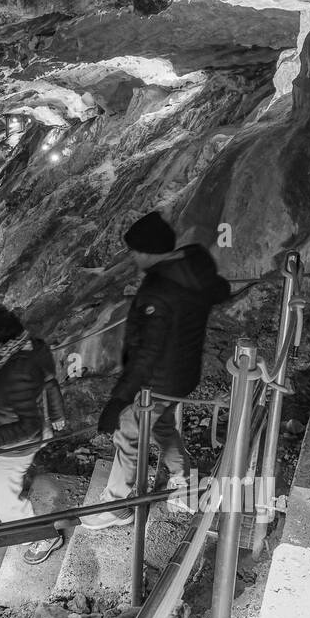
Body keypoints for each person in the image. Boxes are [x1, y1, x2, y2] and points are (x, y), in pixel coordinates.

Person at [85, 212, 231, 528]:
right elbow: (221, 290)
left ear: (149, 250)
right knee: (161, 426)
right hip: (183, 372)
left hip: (158, 380)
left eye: (136, 250)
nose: (133, 257)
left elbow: (146, 353)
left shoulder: (160, 289)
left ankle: (119, 506)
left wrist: (119, 400)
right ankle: (184, 479)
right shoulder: (193, 266)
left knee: (128, 434)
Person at [0, 305, 67, 565]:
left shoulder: (15, 372)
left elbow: (30, 426)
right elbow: (50, 382)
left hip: (16, 445)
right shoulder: (34, 347)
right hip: (3, 438)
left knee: (5, 497)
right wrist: (58, 414)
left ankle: (42, 536)